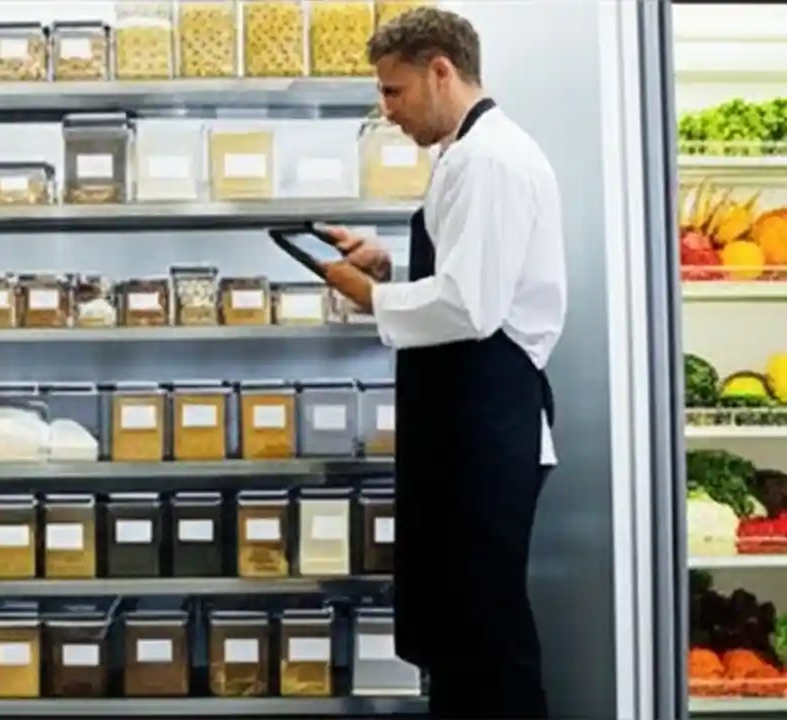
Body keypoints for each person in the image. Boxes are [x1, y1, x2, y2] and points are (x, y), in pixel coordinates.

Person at [319, 7, 566, 719]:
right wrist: (389, 266)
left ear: (440, 71)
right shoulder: (469, 154)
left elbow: (471, 307)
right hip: (472, 424)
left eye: (393, 92)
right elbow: (472, 277)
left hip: (488, 426)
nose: (386, 110)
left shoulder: (487, 159)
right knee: (466, 628)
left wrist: (372, 295)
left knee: (486, 632)